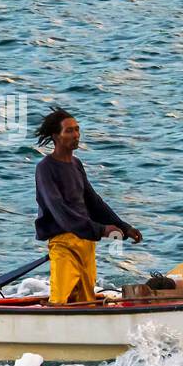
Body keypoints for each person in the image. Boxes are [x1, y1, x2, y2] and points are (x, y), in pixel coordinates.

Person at [33, 108, 142, 304]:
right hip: (64, 243)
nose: (75, 135)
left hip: (86, 242)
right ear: (55, 136)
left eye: (77, 130)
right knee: (60, 300)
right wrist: (100, 229)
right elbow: (60, 212)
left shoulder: (76, 164)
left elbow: (93, 201)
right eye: (69, 131)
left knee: (86, 300)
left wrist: (123, 227)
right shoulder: (45, 168)